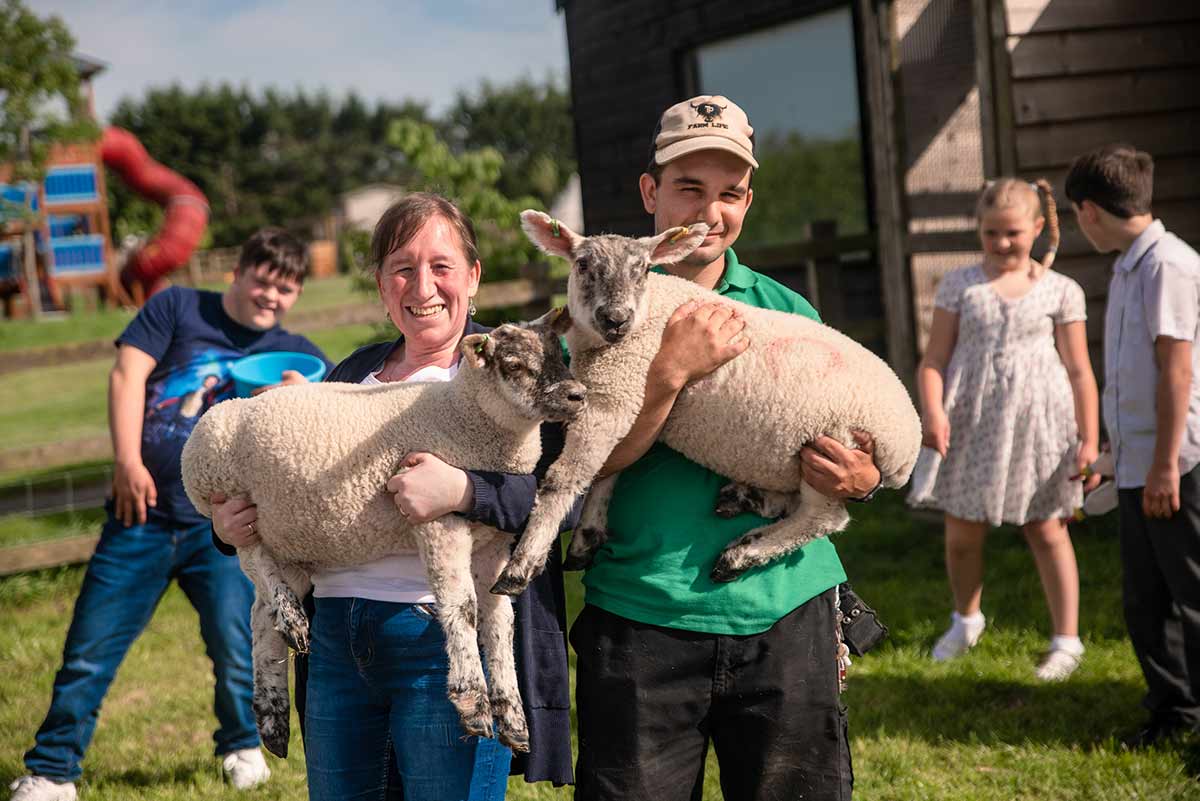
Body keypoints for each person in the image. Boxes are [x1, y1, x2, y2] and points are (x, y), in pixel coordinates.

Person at [211, 192, 575, 801]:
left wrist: (464, 490)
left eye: (441, 266)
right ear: (382, 287)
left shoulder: (515, 366)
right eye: (402, 268)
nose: (422, 285)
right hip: (334, 646)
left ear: (473, 277)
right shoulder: (351, 377)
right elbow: (301, 492)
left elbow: (569, 498)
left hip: (444, 638)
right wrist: (231, 525)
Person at [569, 95, 880, 801]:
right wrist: (670, 372)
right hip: (643, 613)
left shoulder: (784, 310)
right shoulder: (593, 317)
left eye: (730, 194)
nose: (710, 212)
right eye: (689, 188)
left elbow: (852, 434)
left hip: (783, 613)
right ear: (651, 191)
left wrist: (863, 476)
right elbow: (581, 462)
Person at [10, 229, 330, 801]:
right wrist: (127, 460)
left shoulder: (297, 354)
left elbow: (324, 430)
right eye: (263, 278)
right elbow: (126, 375)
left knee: (236, 646)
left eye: (286, 288)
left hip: (231, 534)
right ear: (237, 272)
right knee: (90, 648)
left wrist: (301, 397)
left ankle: (241, 744)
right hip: (144, 514)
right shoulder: (178, 307)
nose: (271, 296)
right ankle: (52, 771)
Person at [907, 177, 1100, 681]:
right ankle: (966, 619)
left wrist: (1090, 438)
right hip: (971, 423)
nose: (1002, 243)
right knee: (962, 533)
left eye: (1012, 232)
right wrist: (932, 411)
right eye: (991, 232)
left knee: (1047, 527)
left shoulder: (1061, 291)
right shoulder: (960, 285)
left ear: (1037, 228)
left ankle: (1066, 639)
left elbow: (1079, 370)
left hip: (1040, 425)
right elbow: (934, 361)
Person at [1066, 144, 1200, 745]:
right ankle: (1174, 716)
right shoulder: (1127, 266)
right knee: (1146, 602)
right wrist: (1114, 457)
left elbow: (1177, 372)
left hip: (1178, 465)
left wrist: (1166, 467)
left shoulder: (1169, 264)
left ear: (1089, 210)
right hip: (1139, 466)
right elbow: (1132, 381)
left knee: (1191, 598)